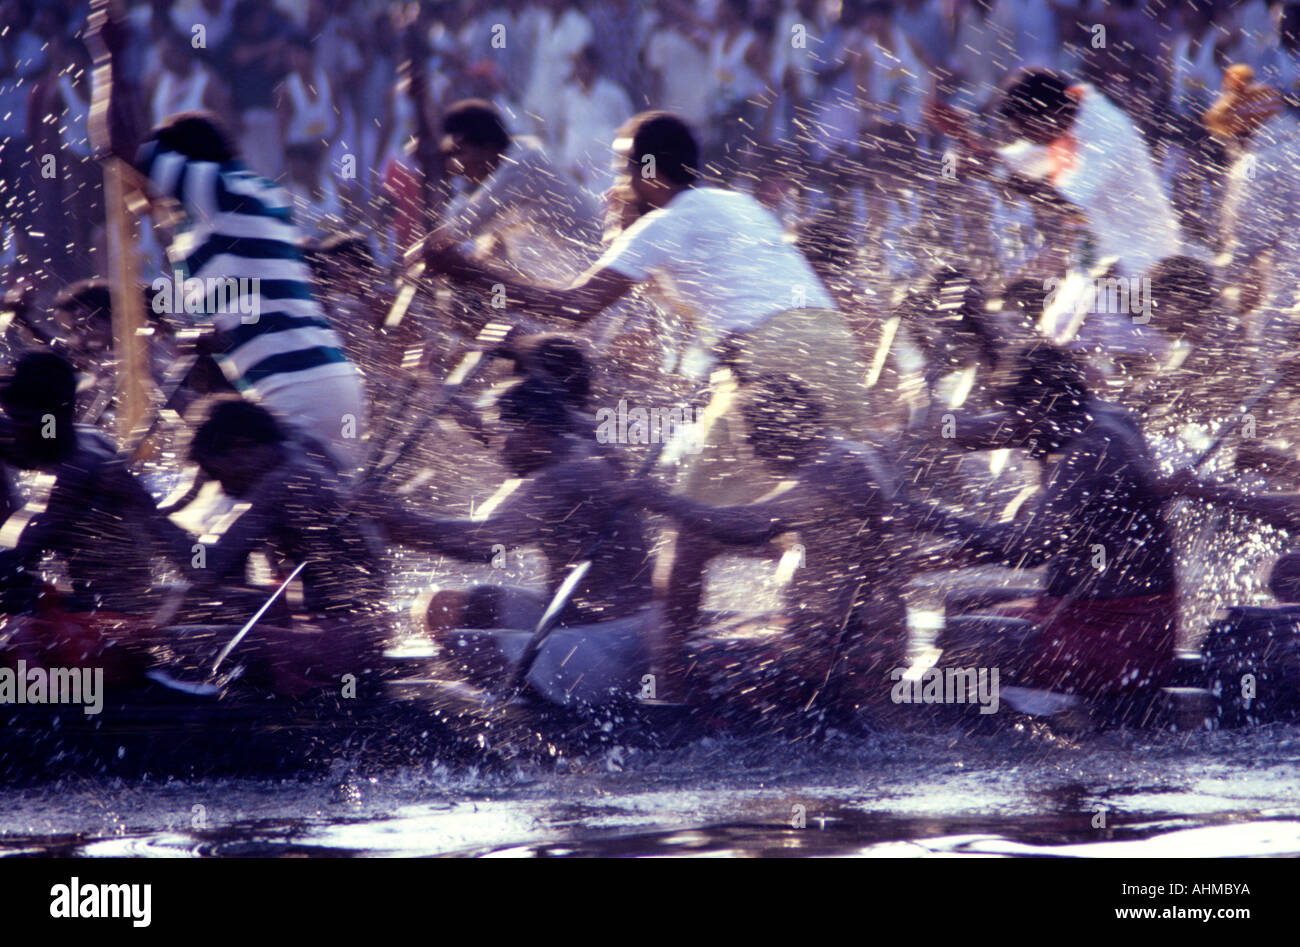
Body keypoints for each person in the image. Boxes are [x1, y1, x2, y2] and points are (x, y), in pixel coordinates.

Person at [423, 112, 877, 693]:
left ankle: (667, 688)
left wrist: (465, 268)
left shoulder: (666, 222)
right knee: (832, 513)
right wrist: (622, 228)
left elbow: (576, 308)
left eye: (620, 166)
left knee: (687, 532)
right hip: (834, 349)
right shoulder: (736, 204)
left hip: (772, 360)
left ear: (648, 173)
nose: (612, 181)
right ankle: (847, 663)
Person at [93, 7, 368, 477]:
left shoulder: (215, 187)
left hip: (294, 394)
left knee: (237, 534)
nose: (138, 189)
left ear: (183, 164)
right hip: (325, 389)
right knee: (322, 538)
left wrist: (113, 58)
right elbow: (239, 318)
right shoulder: (233, 213)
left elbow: (118, 143)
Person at [904, 345, 1178, 707]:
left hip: (1116, 640)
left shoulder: (1090, 450)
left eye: (1013, 416)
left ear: (1034, 408)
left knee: (966, 638)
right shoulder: (1096, 415)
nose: (1010, 431)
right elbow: (975, 431)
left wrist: (926, 515)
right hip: (1093, 612)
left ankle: (976, 727)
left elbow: (1029, 549)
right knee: (962, 601)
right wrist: (924, 406)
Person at [629, 373, 911, 716]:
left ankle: (667, 691)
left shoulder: (832, 467)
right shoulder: (845, 451)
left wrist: (660, 500)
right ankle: (666, 675)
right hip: (851, 633)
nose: (746, 454)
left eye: (745, 443)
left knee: (691, 537)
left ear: (769, 438)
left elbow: (748, 526)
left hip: (841, 650)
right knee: (695, 540)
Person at [366, 374, 654, 638]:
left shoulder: (562, 479)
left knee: (456, 634)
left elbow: (481, 545)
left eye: (503, 434)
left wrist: (394, 517)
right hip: (592, 615)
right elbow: (493, 423)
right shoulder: (584, 446)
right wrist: (436, 389)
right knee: (443, 605)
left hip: (609, 630)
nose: (496, 447)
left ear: (532, 430)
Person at [180, 398, 386, 695]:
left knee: (199, 641)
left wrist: (140, 504)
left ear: (242, 448)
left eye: (219, 473)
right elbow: (230, 568)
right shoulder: (296, 445)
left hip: (344, 646)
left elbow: (207, 569)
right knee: (210, 609)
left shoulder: (284, 481)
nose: (222, 488)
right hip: (355, 634)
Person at [929, 67, 1181, 277]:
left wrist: (993, 170)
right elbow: (1019, 160)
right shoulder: (1067, 116)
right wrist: (972, 145)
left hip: (1145, 264)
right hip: (1099, 261)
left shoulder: (1105, 129)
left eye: (1027, 130)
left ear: (1050, 115)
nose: (1027, 138)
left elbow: (1068, 204)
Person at [0, 353, 190, 617]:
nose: (12, 431)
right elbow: (28, 450)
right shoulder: (86, 437)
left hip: (115, 612)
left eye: (18, 420)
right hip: (94, 600)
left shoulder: (77, 469)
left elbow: (20, 553)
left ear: (46, 419)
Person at [433, 98, 603, 290]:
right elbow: (485, 253)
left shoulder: (524, 164)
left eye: (459, 153)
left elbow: (457, 228)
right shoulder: (508, 169)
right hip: (558, 288)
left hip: (583, 291)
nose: (455, 166)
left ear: (487, 148)